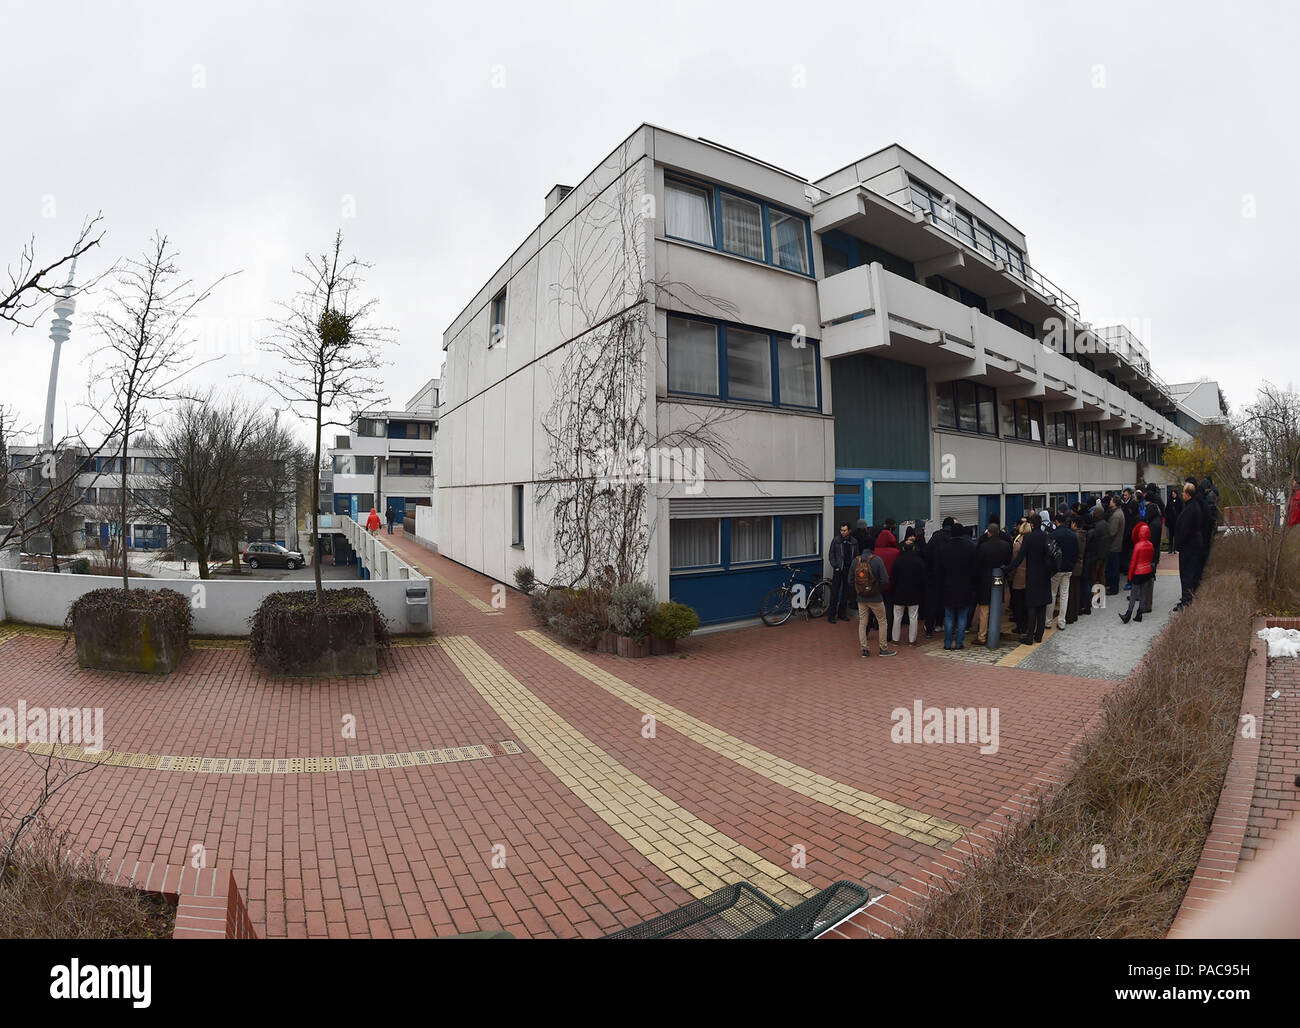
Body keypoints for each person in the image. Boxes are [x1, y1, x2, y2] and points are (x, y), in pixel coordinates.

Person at [1004, 513, 1052, 644]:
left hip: (1032, 576)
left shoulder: (1029, 538)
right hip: (1045, 576)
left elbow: (1019, 558)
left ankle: (1029, 637)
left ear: (1031, 524)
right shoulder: (1046, 536)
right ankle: (1039, 636)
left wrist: (1008, 568)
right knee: (1042, 607)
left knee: (1031, 607)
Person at [850, 540, 895, 658]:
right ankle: (883, 648)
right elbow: (885, 579)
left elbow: (850, 580)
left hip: (861, 598)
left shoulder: (855, 561)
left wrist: (859, 591)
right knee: (882, 621)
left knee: (862, 623)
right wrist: (876, 590)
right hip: (876, 598)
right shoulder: (877, 560)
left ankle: (864, 649)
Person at [937, 520, 977, 650]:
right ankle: (959, 643)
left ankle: (947, 643)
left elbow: (940, 569)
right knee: (962, 616)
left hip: (948, 586)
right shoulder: (970, 547)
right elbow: (974, 568)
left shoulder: (944, 548)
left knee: (948, 616)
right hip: (965, 586)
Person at [974, 519, 1012, 645]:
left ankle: (982, 636)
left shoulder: (983, 547)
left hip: (985, 580)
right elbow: (1008, 562)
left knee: (984, 610)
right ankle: (995, 631)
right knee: (997, 607)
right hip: (999, 580)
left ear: (989, 533)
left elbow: (978, 564)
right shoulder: (1005, 546)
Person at [890, 534, 927, 646]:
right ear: (914, 548)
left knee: (897, 616)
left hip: (899, 592)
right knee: (913, 616)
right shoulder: (919, 561)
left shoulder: (897, 561)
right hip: (914, 593)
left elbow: (893, 578)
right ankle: (912, 640)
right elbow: (923, 579)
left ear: (903, 548)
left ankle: (895, 639)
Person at [1173, 479, 1205, 611]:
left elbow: (1185, 530)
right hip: (1193, 546)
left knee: (1186, 574)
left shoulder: (1191, 508)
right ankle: (1187, 598)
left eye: (1183, 492)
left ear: (1188, 494)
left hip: (1189, 547)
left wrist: (1178, 545)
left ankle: (1186, 600)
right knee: (1189, 574)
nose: (1181, 494)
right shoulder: (1194, 506)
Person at [1119, 522, 1155, 624]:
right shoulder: (1151, 545)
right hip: (1147, 571)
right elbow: (1151, 558)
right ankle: (1139, 614)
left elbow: (1133, 563)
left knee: (1134, 594)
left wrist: (1130, 576)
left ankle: (1128, 614)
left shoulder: (1138, 546)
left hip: (1138, 572)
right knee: (1144, 593)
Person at [1049, 510, 1078, 630]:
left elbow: (1050, 553)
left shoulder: (1054, 534)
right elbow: (1076, 552)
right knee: (1064, 595)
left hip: (1056, 569)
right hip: (1068, 569)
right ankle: (1062, 621)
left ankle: (1048, 620)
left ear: (1056, 522)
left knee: (1052, 594)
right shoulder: (1072, 535)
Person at [826, 522, 858, 625]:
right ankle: (831, 615)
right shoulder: (836, 541)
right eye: (841, 530)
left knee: (846, 593)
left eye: (844, 530)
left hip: (849, 570)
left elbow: (857, 555)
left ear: (849, 531)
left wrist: (854, 568)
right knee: (835, 592)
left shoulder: (854, 542)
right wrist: (835, 566)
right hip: (839, 570)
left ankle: (842, 613)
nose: (842, 532)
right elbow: (831, 554)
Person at [873, 528, 901, 640]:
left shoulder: (875, 552)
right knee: (889, 609)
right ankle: (888, 634)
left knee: (878, 608)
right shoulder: (896, 552)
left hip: (878, 585)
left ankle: (877, 626)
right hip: (891, 584)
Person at [1009, 520, 1030, 636]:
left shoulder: (1017, 544)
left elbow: (1014, 562)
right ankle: (1026, 625)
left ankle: (1020, 626)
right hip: (1029, 577)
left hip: (1018, 577)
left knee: (1018, 603)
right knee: (1026, 603)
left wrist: (1010, 576)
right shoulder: (1032, 543)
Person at [1069, 513, 1088, 620]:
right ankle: (1076, 612)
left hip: (1075, 566)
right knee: (1077, 589)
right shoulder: (1083, 534)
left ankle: (1071, 615)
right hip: (1080, 565)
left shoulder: (1075, 536)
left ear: (1074, 524)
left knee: (1072, 591)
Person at [1105, 495, 1125, 594]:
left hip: (1114, 546)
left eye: (1111, 500)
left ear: (1115, 503)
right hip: (1117, 544)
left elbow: (1112, 532)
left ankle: (1113, 589)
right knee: (1114, 568)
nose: (1110, 502)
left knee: (1113, 569)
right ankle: (1113, 587)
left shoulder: (1116, 516)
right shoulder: (1119, 513)